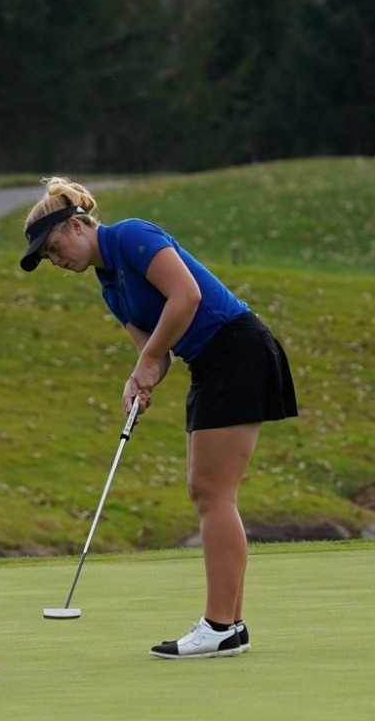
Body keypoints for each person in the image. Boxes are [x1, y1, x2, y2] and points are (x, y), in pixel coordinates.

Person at [19, 176, 298, 659]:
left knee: (212, 492)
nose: (55, 259)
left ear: (78, 224)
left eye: (53, 245)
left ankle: (219, 626)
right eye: (46, 257)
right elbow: (157, 354)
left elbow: (185, 296)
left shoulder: (129, 235)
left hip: (238, 347)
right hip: (211, 363)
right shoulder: (111, 287)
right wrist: (139, 378)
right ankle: (229, 627)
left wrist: (149, 359)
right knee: (208, 491)